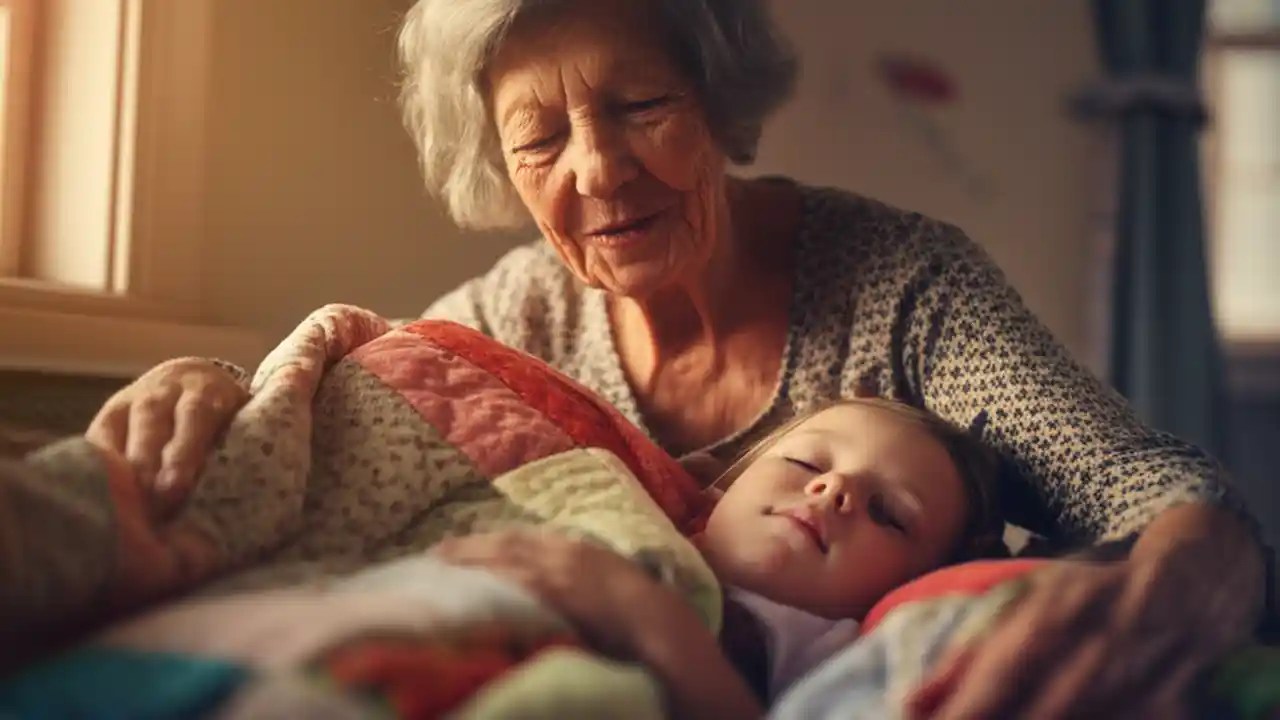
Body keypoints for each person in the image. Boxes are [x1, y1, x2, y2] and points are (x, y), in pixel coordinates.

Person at [86, 0, 1266, 716]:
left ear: (718, 103)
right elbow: (361, 410)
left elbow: (1151, 492)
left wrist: (1184, 584)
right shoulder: (520, 311)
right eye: (538, 139)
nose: (595, 172)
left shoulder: (904, 284)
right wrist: (219, 385)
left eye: (639, 104)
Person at [434, 397, 1006, 719]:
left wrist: (643, 614)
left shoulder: (829, 646)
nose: (835, 489)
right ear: (719, 488)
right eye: (807, 464)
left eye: (890, 514)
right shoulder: (631, 514)